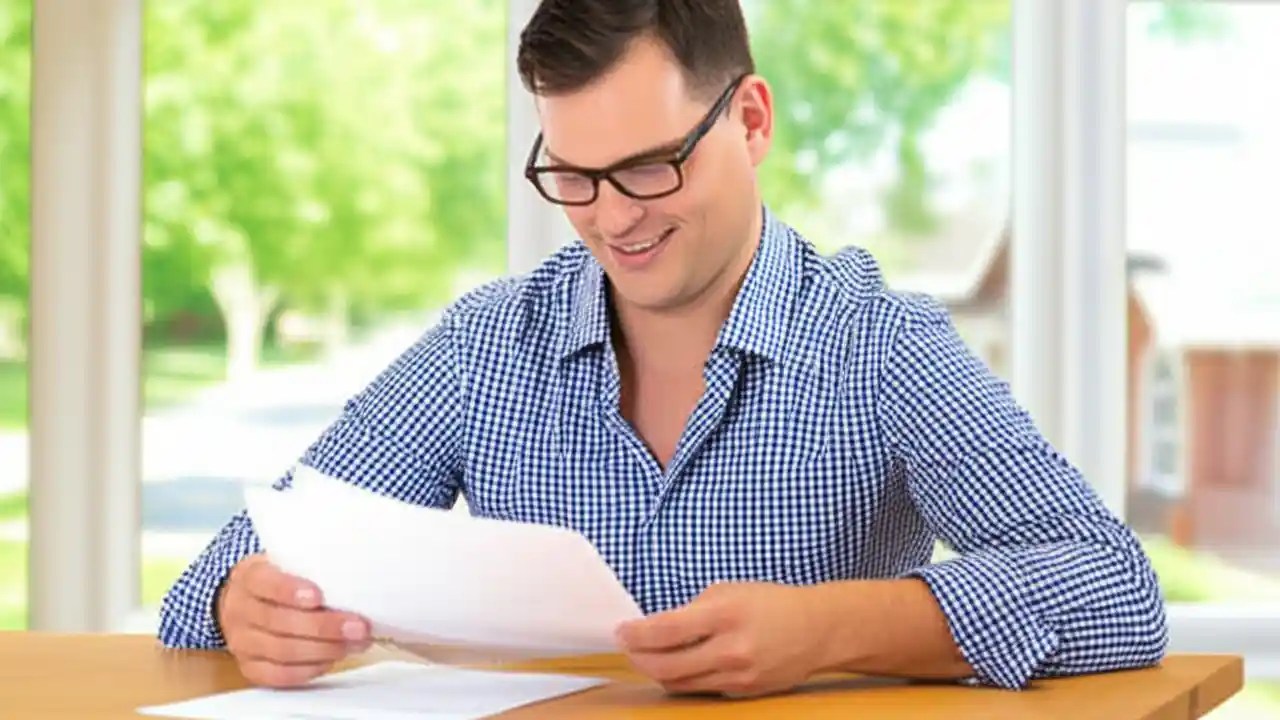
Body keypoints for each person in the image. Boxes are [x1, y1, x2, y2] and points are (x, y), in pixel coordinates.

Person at [158, 0, 1168, 697]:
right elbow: (218, 581)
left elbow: (1114, 589)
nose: (610, 219)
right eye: (573, 176)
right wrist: (248, 606)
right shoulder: (483, 348)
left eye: (646, 168)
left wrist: (828, 630)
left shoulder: (878, 346)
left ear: (751, 121)